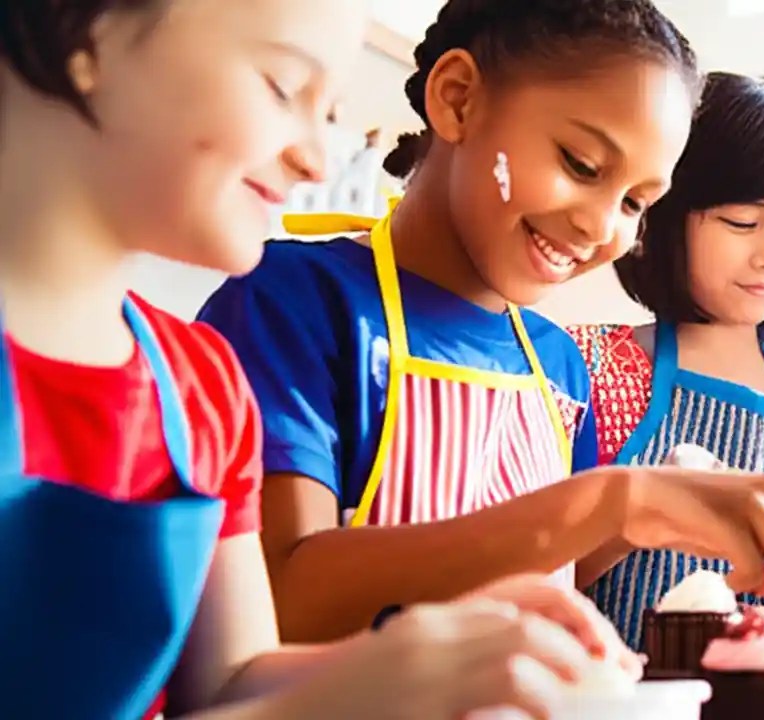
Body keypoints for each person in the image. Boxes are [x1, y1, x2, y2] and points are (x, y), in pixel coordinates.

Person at [0, 1, 657, 718]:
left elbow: (226, 687)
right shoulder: (293, 305)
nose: (315, 158)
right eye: (283, 86)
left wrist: (430, 654)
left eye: (332, 111)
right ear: (84, 30)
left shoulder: (199, 390)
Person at [198, 0, 764, 646]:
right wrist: (611, 501)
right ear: (458, 98)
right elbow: (278, 602)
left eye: (635, 201)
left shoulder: (555, 363)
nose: (601, 227)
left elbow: (555, 591)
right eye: (581, 165)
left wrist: (651, 518)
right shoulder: (295, 301)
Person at [566, 72, 764, 649]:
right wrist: (640, 510)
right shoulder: (590, 367)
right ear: (661, 215)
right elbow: (536, 576)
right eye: (742, 222)